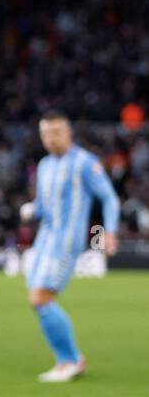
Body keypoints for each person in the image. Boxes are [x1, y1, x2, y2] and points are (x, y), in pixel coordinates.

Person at [19, 111, 120, 382]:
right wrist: (31, 210)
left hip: (66, 243)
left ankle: (70, 360)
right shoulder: (44, 166)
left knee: (40, 298)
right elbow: (43, 205)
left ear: (67, 133)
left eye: (56, 133)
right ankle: (69, 359)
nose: (50, 139)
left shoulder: (85, 163)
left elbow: (109, 198)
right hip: (44, 240)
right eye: (45, 134)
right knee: (37, 300)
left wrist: (109, 231)